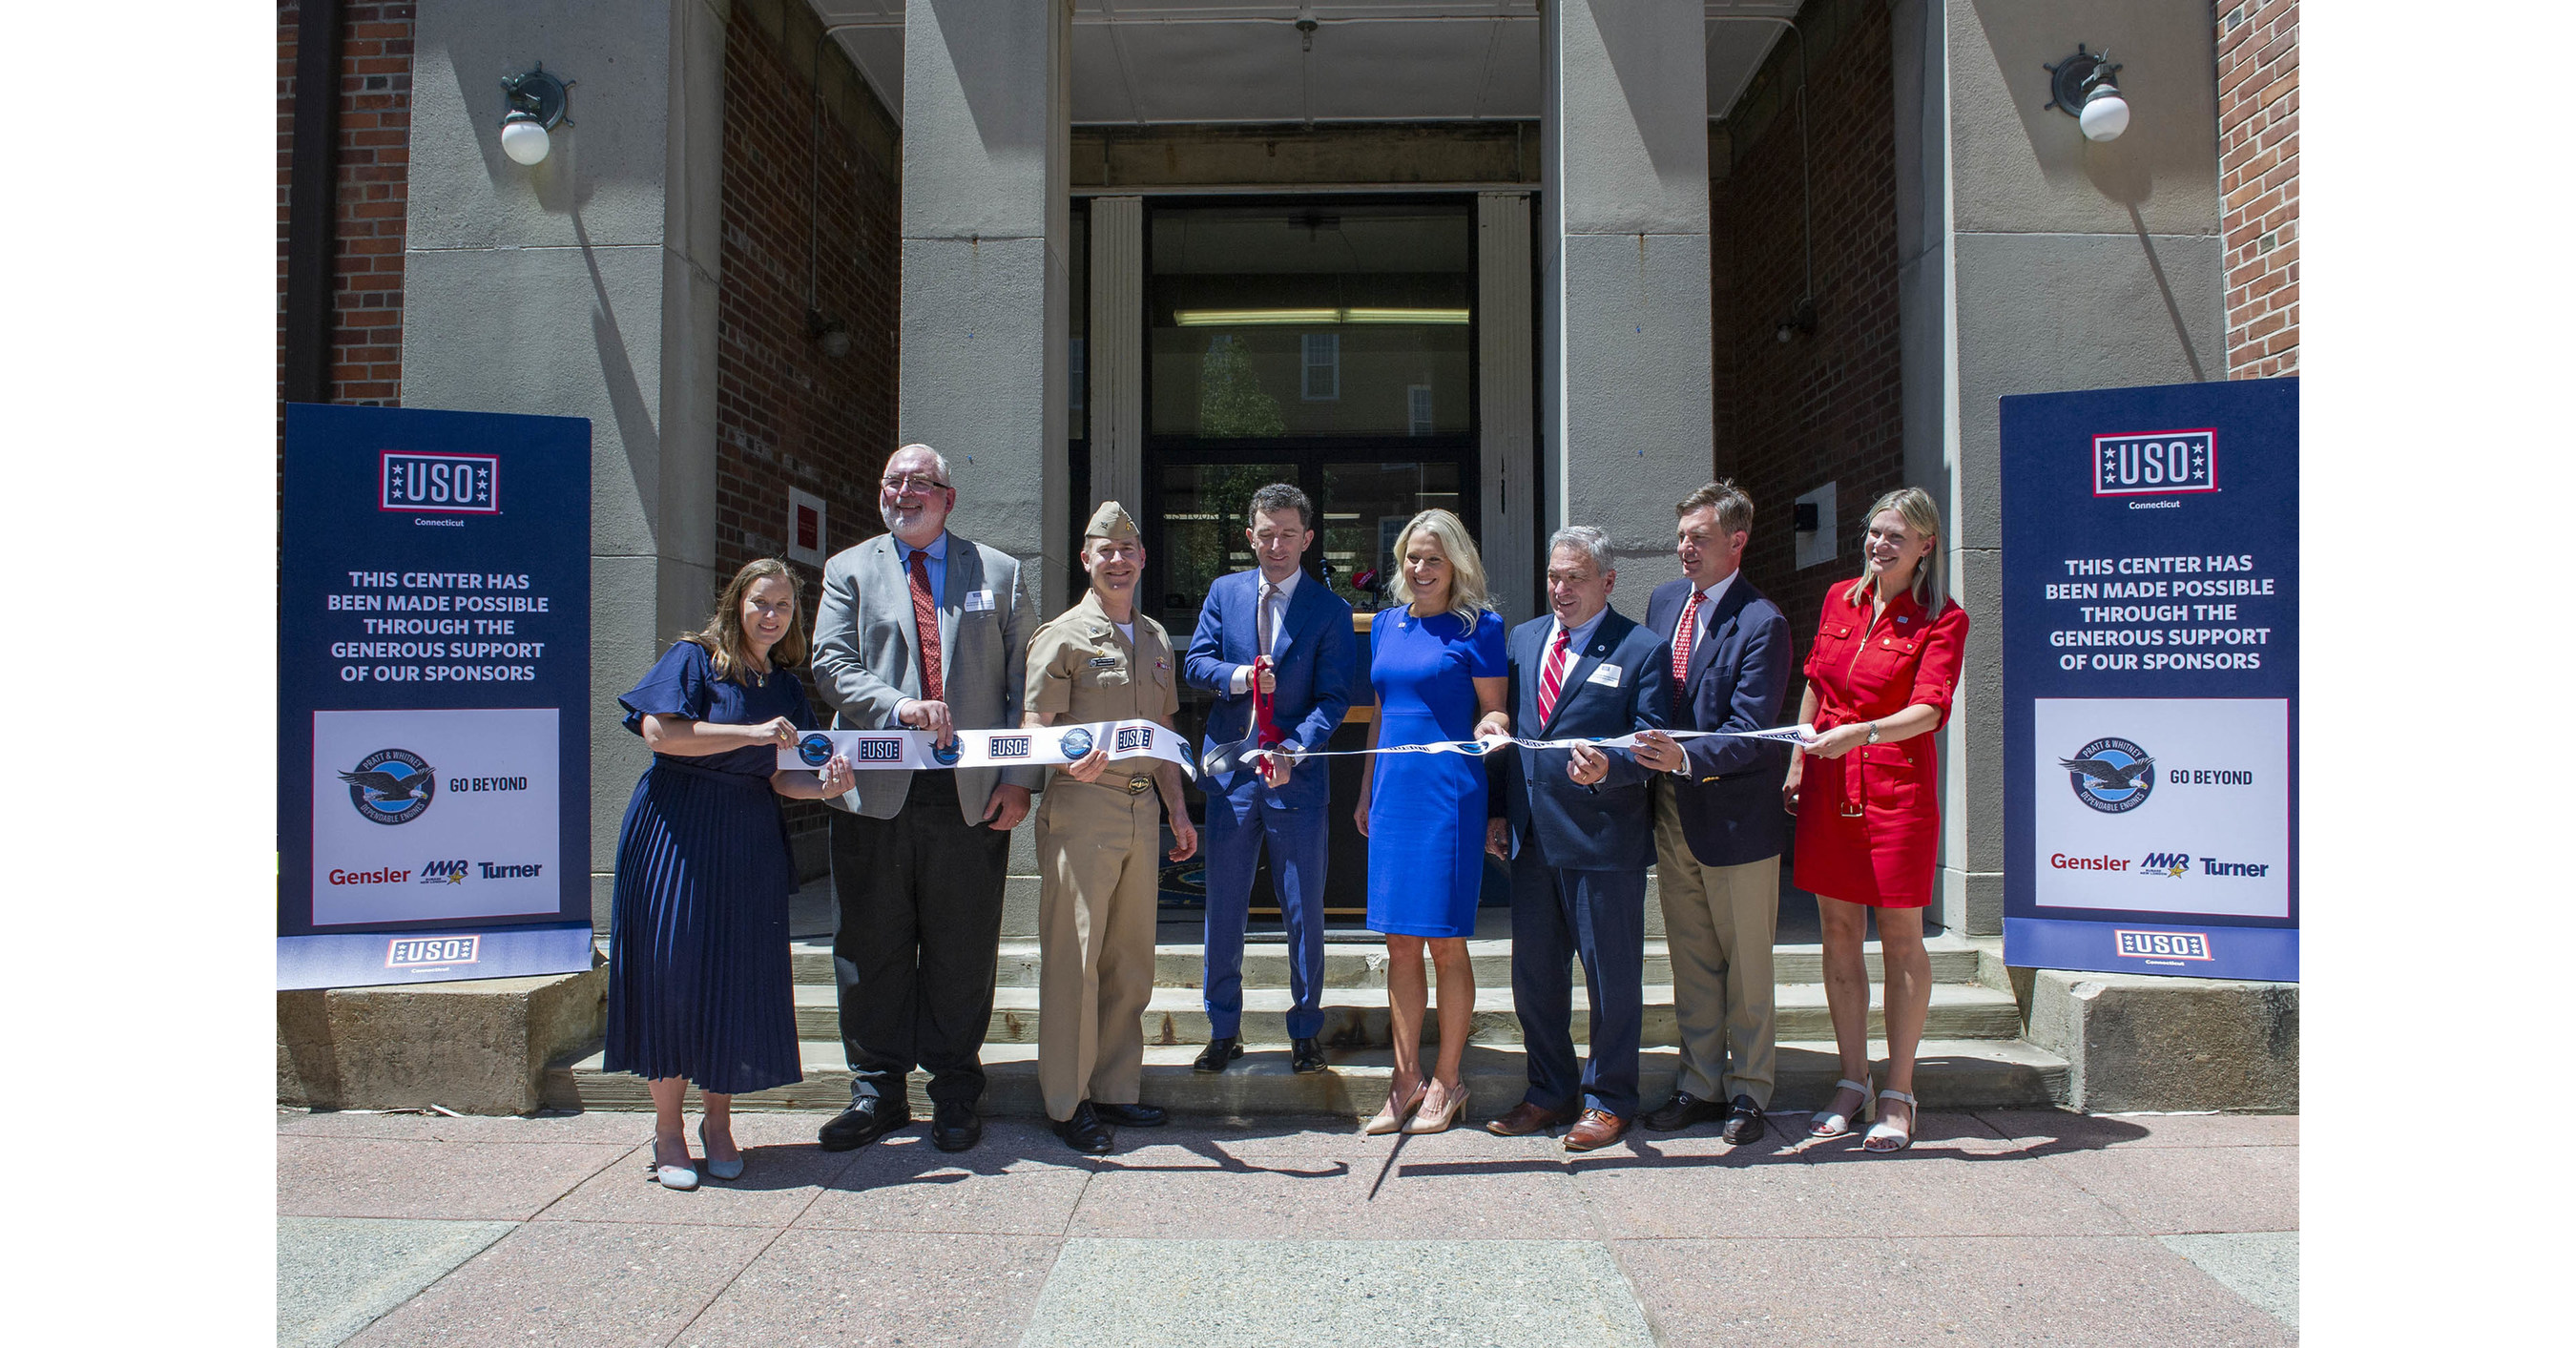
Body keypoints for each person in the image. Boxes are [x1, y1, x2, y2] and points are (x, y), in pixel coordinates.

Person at [807, 445, 1042, 1155]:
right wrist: (899, 706)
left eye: (919, 483)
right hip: (873, 791)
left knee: (960, 948)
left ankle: (954, 1091)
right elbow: (830, 663)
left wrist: (1019, 781)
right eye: (892, 481)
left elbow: (1025, 685)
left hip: (969, 796)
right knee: (870, 943)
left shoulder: (998, 573)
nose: (903, 492)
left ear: (949, 496)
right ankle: (877, 1090)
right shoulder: (849, 569)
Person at [606, 558, 856, 1191]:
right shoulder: (696, 658)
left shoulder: (786, 687)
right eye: (759, 603)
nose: (770, 617)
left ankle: (718, 1124)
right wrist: (747, 729)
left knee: (734, 978)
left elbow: (780, 775)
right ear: (736, 602)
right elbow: (662, 734)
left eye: (782, 607)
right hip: (676, 827)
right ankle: (667, 1130)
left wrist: (827, 786)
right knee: (674, 974)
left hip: (747, 833)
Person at [1784, 486, 1969, 1152]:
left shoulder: (1942, 618)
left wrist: (1859, 734)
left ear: (1926, 545)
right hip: (1830, 779)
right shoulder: (1841, 599)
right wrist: (1801, 755)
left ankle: (1899, 1089)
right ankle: (1852, 1078)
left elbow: (1930, 710)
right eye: (1875, 532)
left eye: (1896, 536)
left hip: (1896, 791)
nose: (1880, 545)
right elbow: (1816, 679)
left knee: (1900, 939)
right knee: (1837, 930)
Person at [1482, 527, 1672, 1151]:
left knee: (1611, 978)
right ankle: (1550, 1090)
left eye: (1575, 578)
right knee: (1535, 978)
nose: (1561, 589)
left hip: (1602, 839)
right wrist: (1497, 811)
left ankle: (1611, 1098)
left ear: (1608, 582)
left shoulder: (1642, 649)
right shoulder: (1524, 638)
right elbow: (1509, 734)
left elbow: (1651, 743)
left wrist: (1613, 768)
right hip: (1533, 839)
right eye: (1554, 577)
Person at [1024, 502, 1201, 1153]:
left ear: (1143, 558)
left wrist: (1178, 809)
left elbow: (1165, 734)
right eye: (1106, 551)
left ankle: (1115, 1088)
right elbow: (1032, 728)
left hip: (1141, 808)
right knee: (1075, 958)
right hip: (1083, 805)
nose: (1118, 560)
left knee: (1130, 959)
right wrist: (1065, 751)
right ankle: (1067, 1103)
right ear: (1087, 560)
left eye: (1129, 550)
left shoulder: (1154, 637)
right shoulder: (1063, 635)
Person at [1632, 482, 1796, 1144]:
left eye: (1698, 538)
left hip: (1735, 819)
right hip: (1671, 810)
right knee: (1692, 958)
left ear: (1737, 541)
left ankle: (1750, 1092)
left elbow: (1751, 731)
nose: (1684, 549)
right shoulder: (1665, 602)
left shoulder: (1764, 622)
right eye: (1681, 537)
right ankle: (1699, 1084)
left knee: (1746, 965)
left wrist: (1681, 754)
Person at [1181, 483, 1355, 1077]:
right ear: (1249, 536)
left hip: (1297, 783)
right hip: (1232, 778)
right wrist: (1239, 677)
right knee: (1223, 907)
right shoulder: (1224, 593)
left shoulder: (1329, 610)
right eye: (1265, 532)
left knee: (1303, 909)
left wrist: (1297, 749)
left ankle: (1306, 1030)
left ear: (1307, 538)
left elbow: (1333, 700)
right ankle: (1223, 1028)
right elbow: (1195, 663)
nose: (1276, 544)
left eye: (1288, 533)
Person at [1352, 508, 1508, 1136]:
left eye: (1433, 558)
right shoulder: (1385, 624)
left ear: (1456, 564)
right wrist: (1366, 789)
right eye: (1412, 557)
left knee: (1445, 940)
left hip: (1449, 795)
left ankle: (1448, 1078)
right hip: (1393, 793)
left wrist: (1492, 728)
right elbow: (1380, 713)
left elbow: (1495, 712)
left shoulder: (1481, 626)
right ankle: (1404, 1075)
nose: (1420, 568)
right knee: (1398, 943)